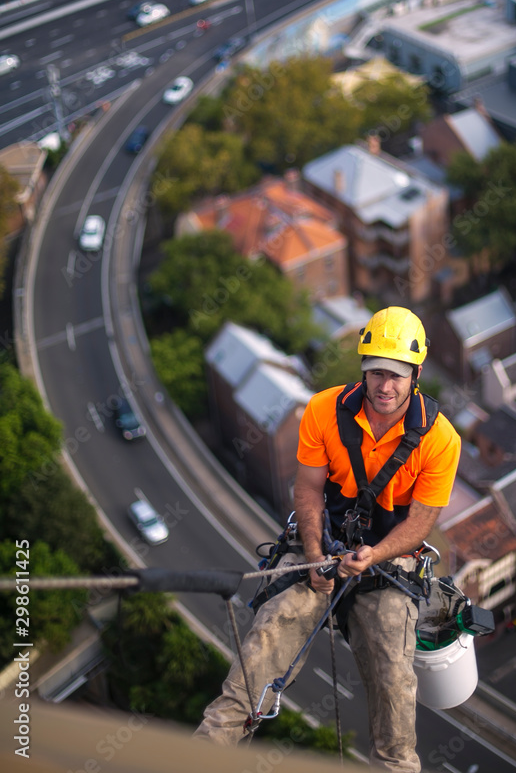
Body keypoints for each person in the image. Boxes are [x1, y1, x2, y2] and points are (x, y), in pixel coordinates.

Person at [196, 307, 461, 772]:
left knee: (395, 682)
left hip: (387, 565)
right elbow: (308, 490)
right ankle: (203, 753)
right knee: (267, 637)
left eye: (397, 375)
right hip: (322, 546)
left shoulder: (440, 440)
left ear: (416, 375)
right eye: (377, 372)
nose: (385, 386)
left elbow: (420, 523)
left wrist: (374, 555)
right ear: (363, 369)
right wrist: (316, 555)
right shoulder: (323, 410)